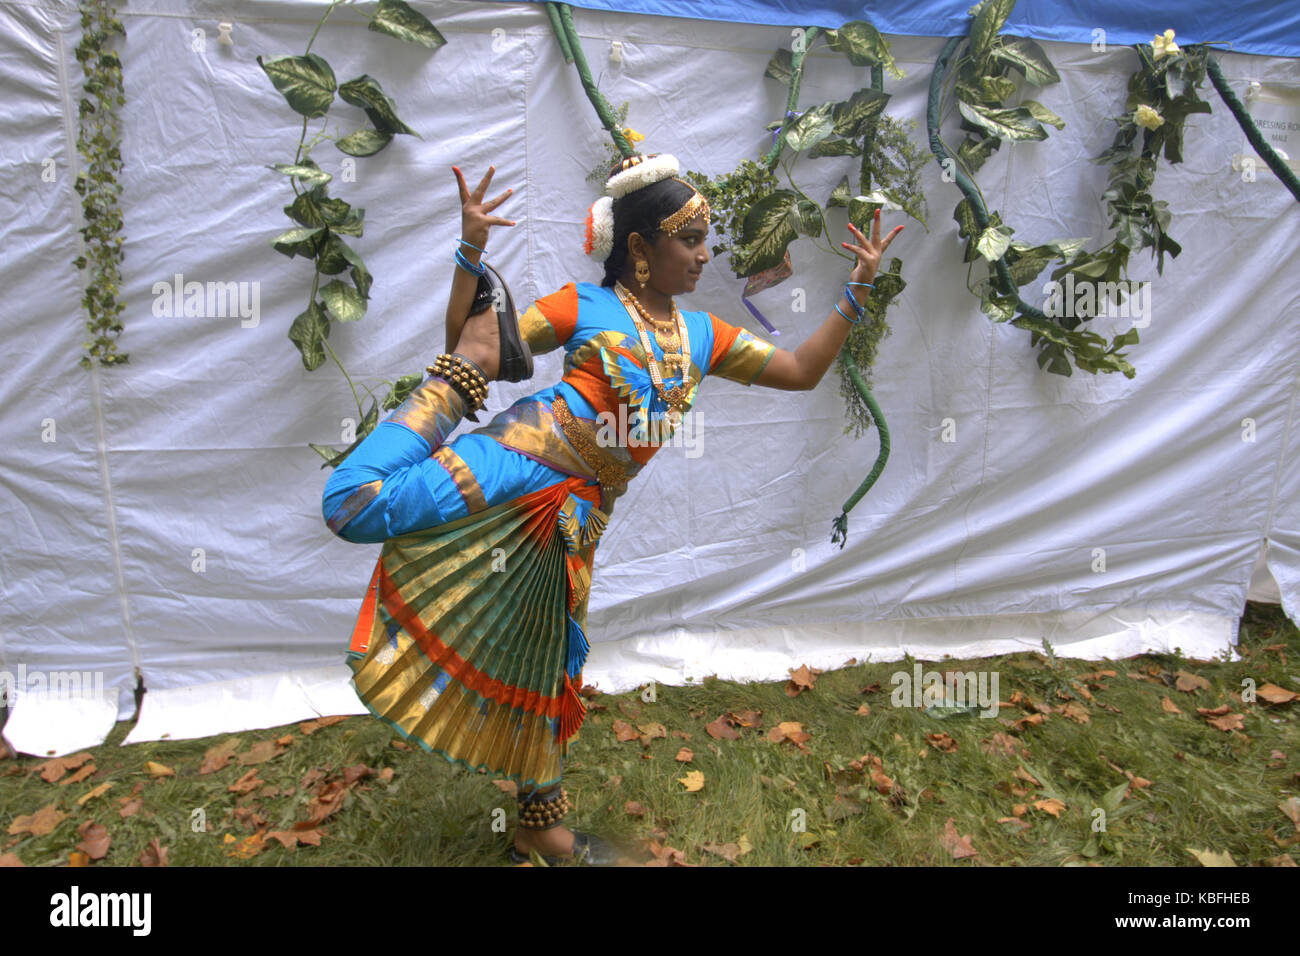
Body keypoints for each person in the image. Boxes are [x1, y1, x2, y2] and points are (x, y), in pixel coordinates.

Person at [321, 153, 903, 865]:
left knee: (548, 663)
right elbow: (473, 346)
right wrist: (470, 253)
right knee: (354, 502)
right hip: (515, 464)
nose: (703, 253)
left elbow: (802, 372)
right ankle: (435, 409)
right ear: (638, 248)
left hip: (574, 520)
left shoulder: (702, 337)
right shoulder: (582, 306)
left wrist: (856, 291)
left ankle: (539, 829)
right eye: (689, 238)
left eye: (706, 237)